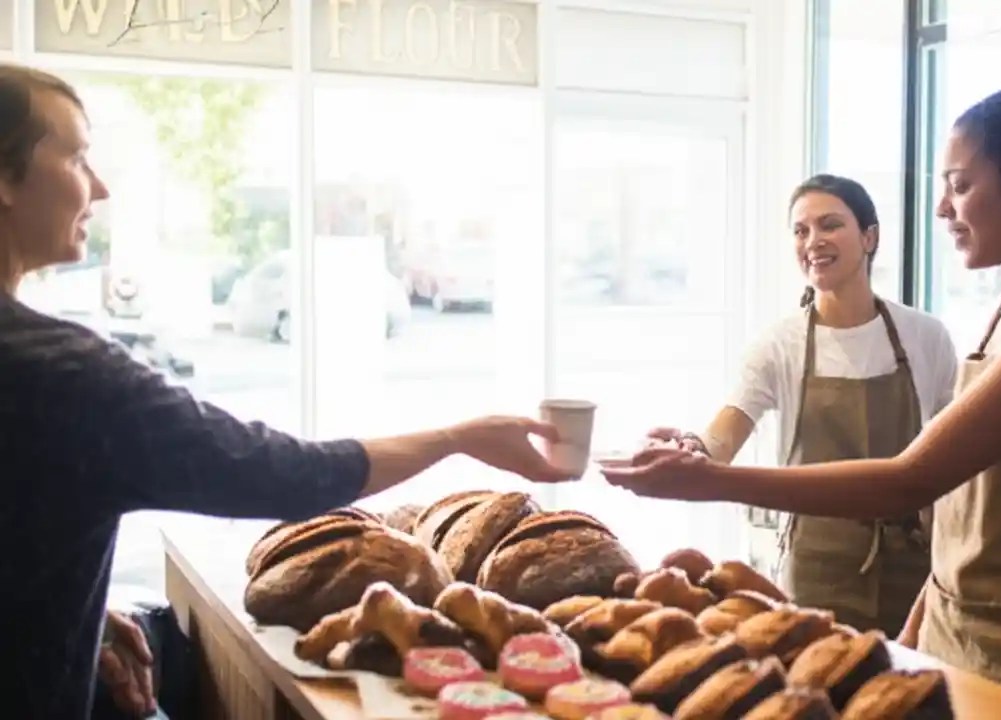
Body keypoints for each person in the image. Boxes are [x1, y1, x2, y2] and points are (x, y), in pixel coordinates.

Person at [0, 63, 573, 720]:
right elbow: (282, 473)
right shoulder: (62, 376)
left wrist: (75, 608)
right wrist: (458, 438)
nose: (97, 188)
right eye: (75, 157)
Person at [603, 67, 1001, 720]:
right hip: (958, 638)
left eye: (959, 186)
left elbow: (912, 479)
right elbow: (962, 506)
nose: (942, 209)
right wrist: (915, 636)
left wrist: (708, 483)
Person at [646, 174, 955, 634]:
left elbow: (954, 454)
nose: (813, 241)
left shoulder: (926, 337)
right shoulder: (780, 344)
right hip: (815, 572)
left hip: (913, 572)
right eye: (800, 230)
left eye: (830, 225)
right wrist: (689, 449)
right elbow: (723, 438)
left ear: (870, 236)